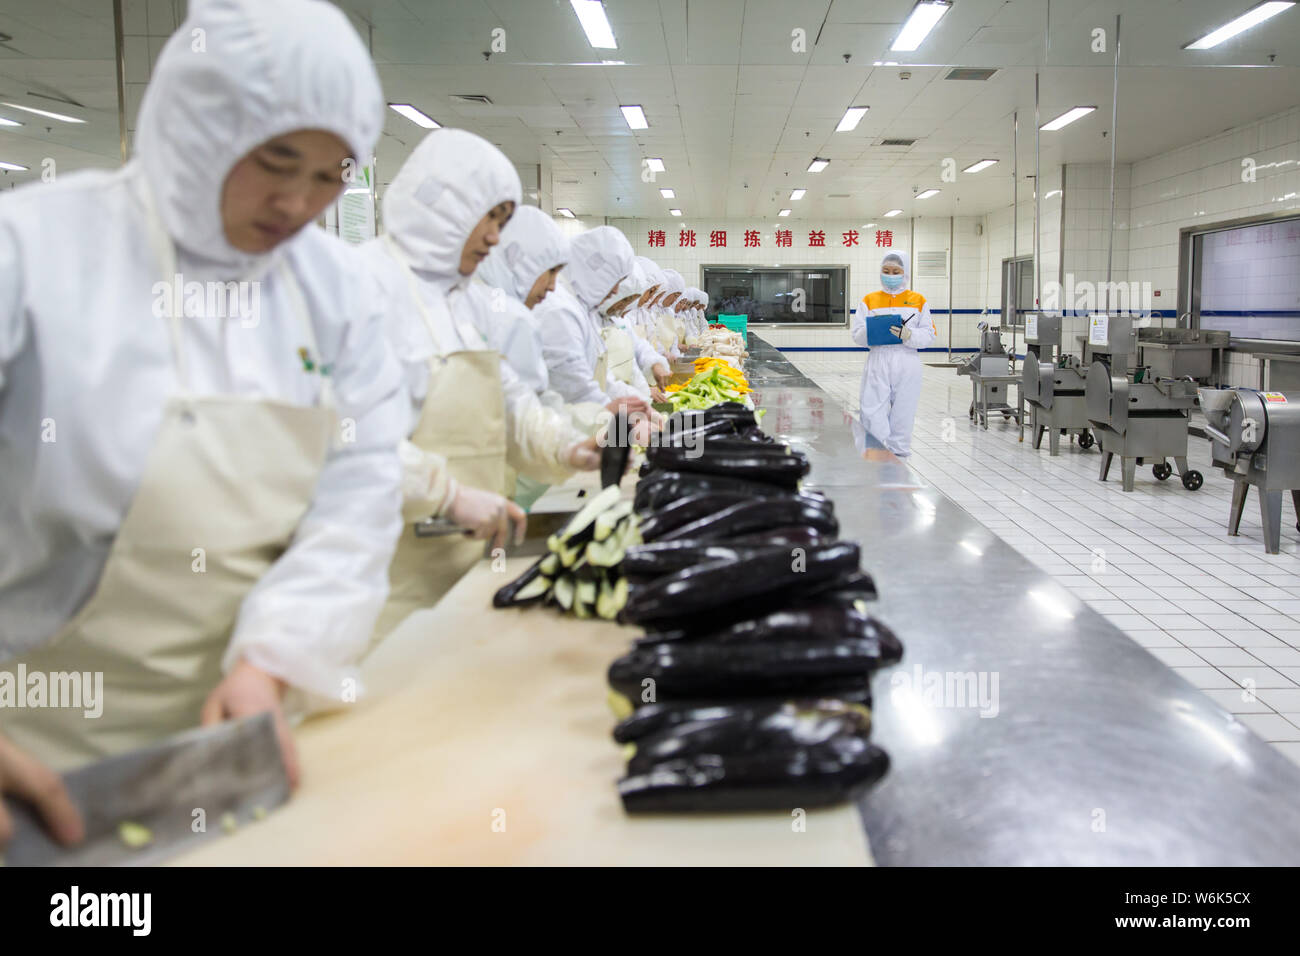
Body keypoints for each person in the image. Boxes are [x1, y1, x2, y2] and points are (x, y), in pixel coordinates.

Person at [0, 0, 404, 833]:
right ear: (201, 125)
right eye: (275, 160)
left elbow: (357, 489)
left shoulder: (336, 292)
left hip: (230, 749)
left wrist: (276, 656)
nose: (296, 202)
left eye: (330, 176)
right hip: (29, 748)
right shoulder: (35, 251)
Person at [360, 129, 601, 640]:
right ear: (442, 206)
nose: (495, 238)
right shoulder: (362, 287)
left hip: (465, 553)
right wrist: (444, 494)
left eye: (503, 222)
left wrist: (569, 446)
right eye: (489, 217)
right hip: (384, 571)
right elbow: (345, 437)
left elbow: (511, 401)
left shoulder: (465, 301)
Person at [535, 227, 668, 408]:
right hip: (570, 421)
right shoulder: (560, 310)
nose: (614, 292)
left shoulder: (584, 311)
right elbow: (576, 386)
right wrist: (633, 405)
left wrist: (638, 397)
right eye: (614, 284)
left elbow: (603, 377)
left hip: (589, 416)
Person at [850, 251, 936, 457]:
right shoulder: (869, 300)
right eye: (886, 271)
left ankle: (899, 455)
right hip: (878, 358)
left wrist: (909, 335)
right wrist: (871, 331)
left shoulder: (918, 301)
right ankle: (874, 452)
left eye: (895, 271)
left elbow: (929, 335)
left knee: (903, 411)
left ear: (905, 273)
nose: (890, 275)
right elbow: (856, 334)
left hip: (907, 359)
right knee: (871, 409)